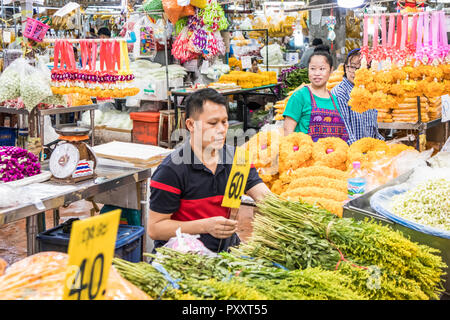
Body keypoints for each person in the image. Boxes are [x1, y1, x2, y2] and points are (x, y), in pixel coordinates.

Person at [148, 88, 271, 253]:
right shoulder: (171, 170)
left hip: (225, 252)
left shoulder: (237, 159)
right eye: (213, 123)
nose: (221, 129)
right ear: (191, 125)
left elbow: (264, 196)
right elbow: (155, 229)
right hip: (183, 258)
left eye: (225, 121)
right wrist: (205, 226)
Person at [283, 45, 349, 143]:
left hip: (332, 156)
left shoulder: (335, 100)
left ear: (331, 71)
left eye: (322, 69)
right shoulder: (299, 96)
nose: (317, 73)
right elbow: (288, 131)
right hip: (305, 155)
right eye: (312, 69)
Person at [331, 48, 384, 145]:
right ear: (346, 68)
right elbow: (344, 132)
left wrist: (383, 145)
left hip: (367, 153)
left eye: (361, 68)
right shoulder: (339, 93)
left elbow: (373, 131)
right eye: (353, 67)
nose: (356, 72)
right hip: (352, 154)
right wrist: (359, 152)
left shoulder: (368, 92)